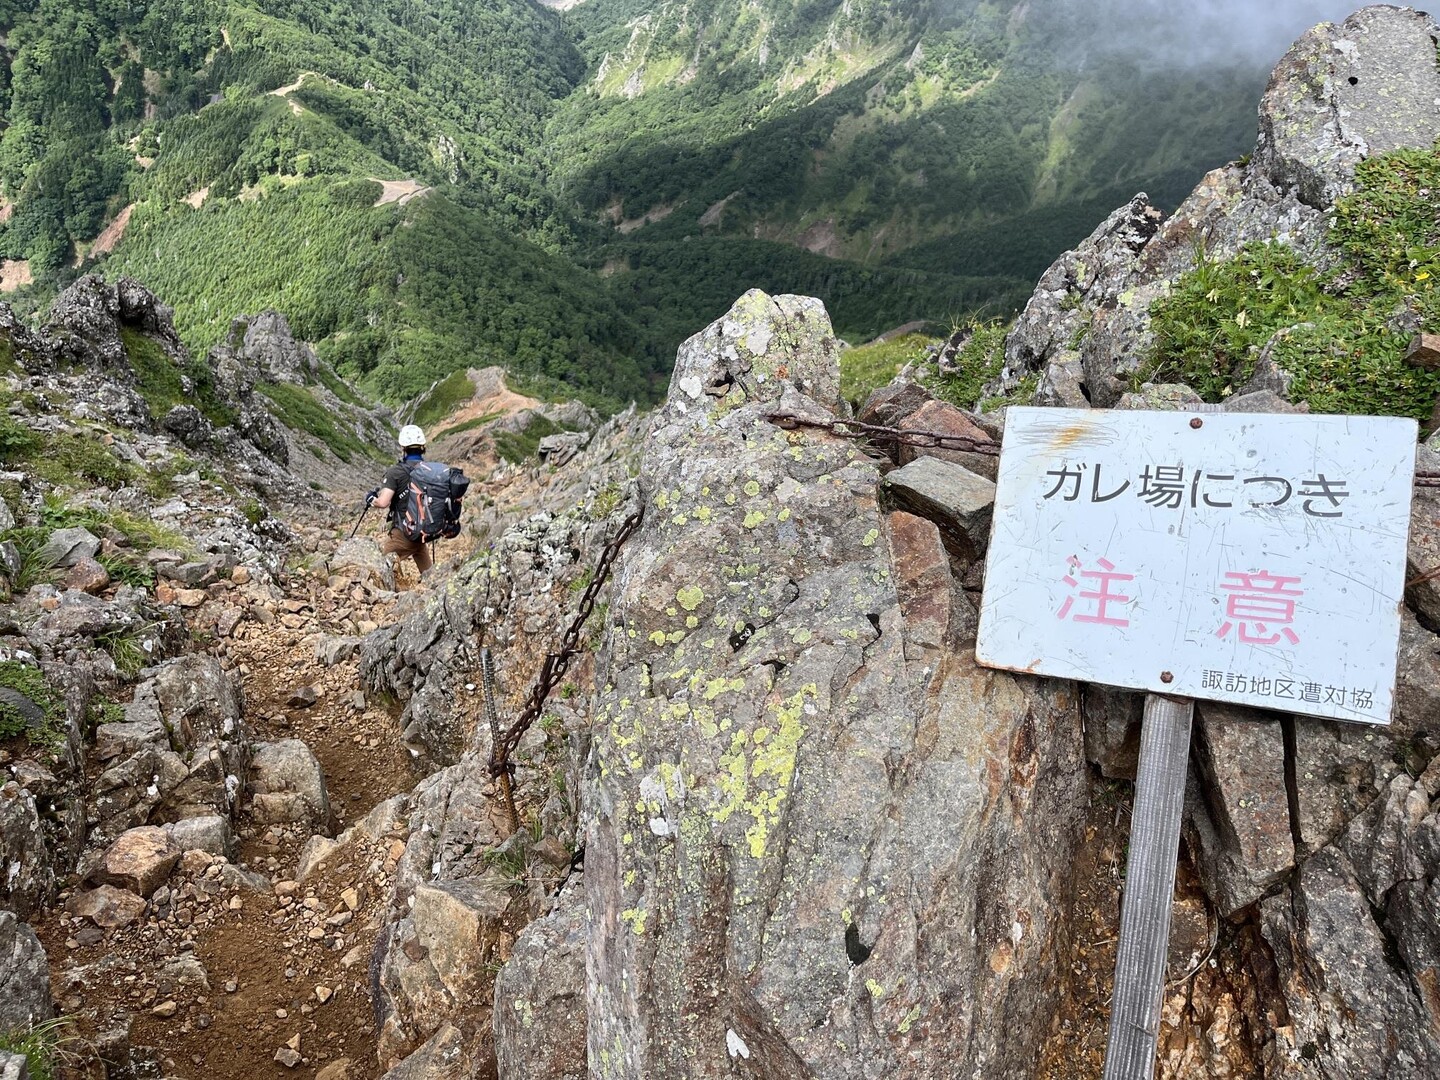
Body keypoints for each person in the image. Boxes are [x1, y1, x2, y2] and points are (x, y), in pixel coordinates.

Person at [366, 424, 435, 578]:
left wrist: (371, 499)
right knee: (431, 576)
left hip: (403, 534)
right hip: (422, 532)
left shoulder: (396, 472)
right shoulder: (429, 470)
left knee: (379, 570)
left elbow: (383, 502)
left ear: (403, 447)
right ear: (422, 447)